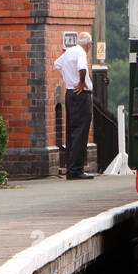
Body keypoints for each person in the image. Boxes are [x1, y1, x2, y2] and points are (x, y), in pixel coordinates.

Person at [53, 31, 94, 180]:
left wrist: (67, 79)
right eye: (90, 45)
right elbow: (82, 68)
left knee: (71, 132)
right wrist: (81, 82)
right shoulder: (81, 52)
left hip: (70, 93)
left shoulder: (69, 51)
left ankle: (71, 169)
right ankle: (77, 169)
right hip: (81, 95)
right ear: (88, 44)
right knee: (80, 132)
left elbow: (56, 64)